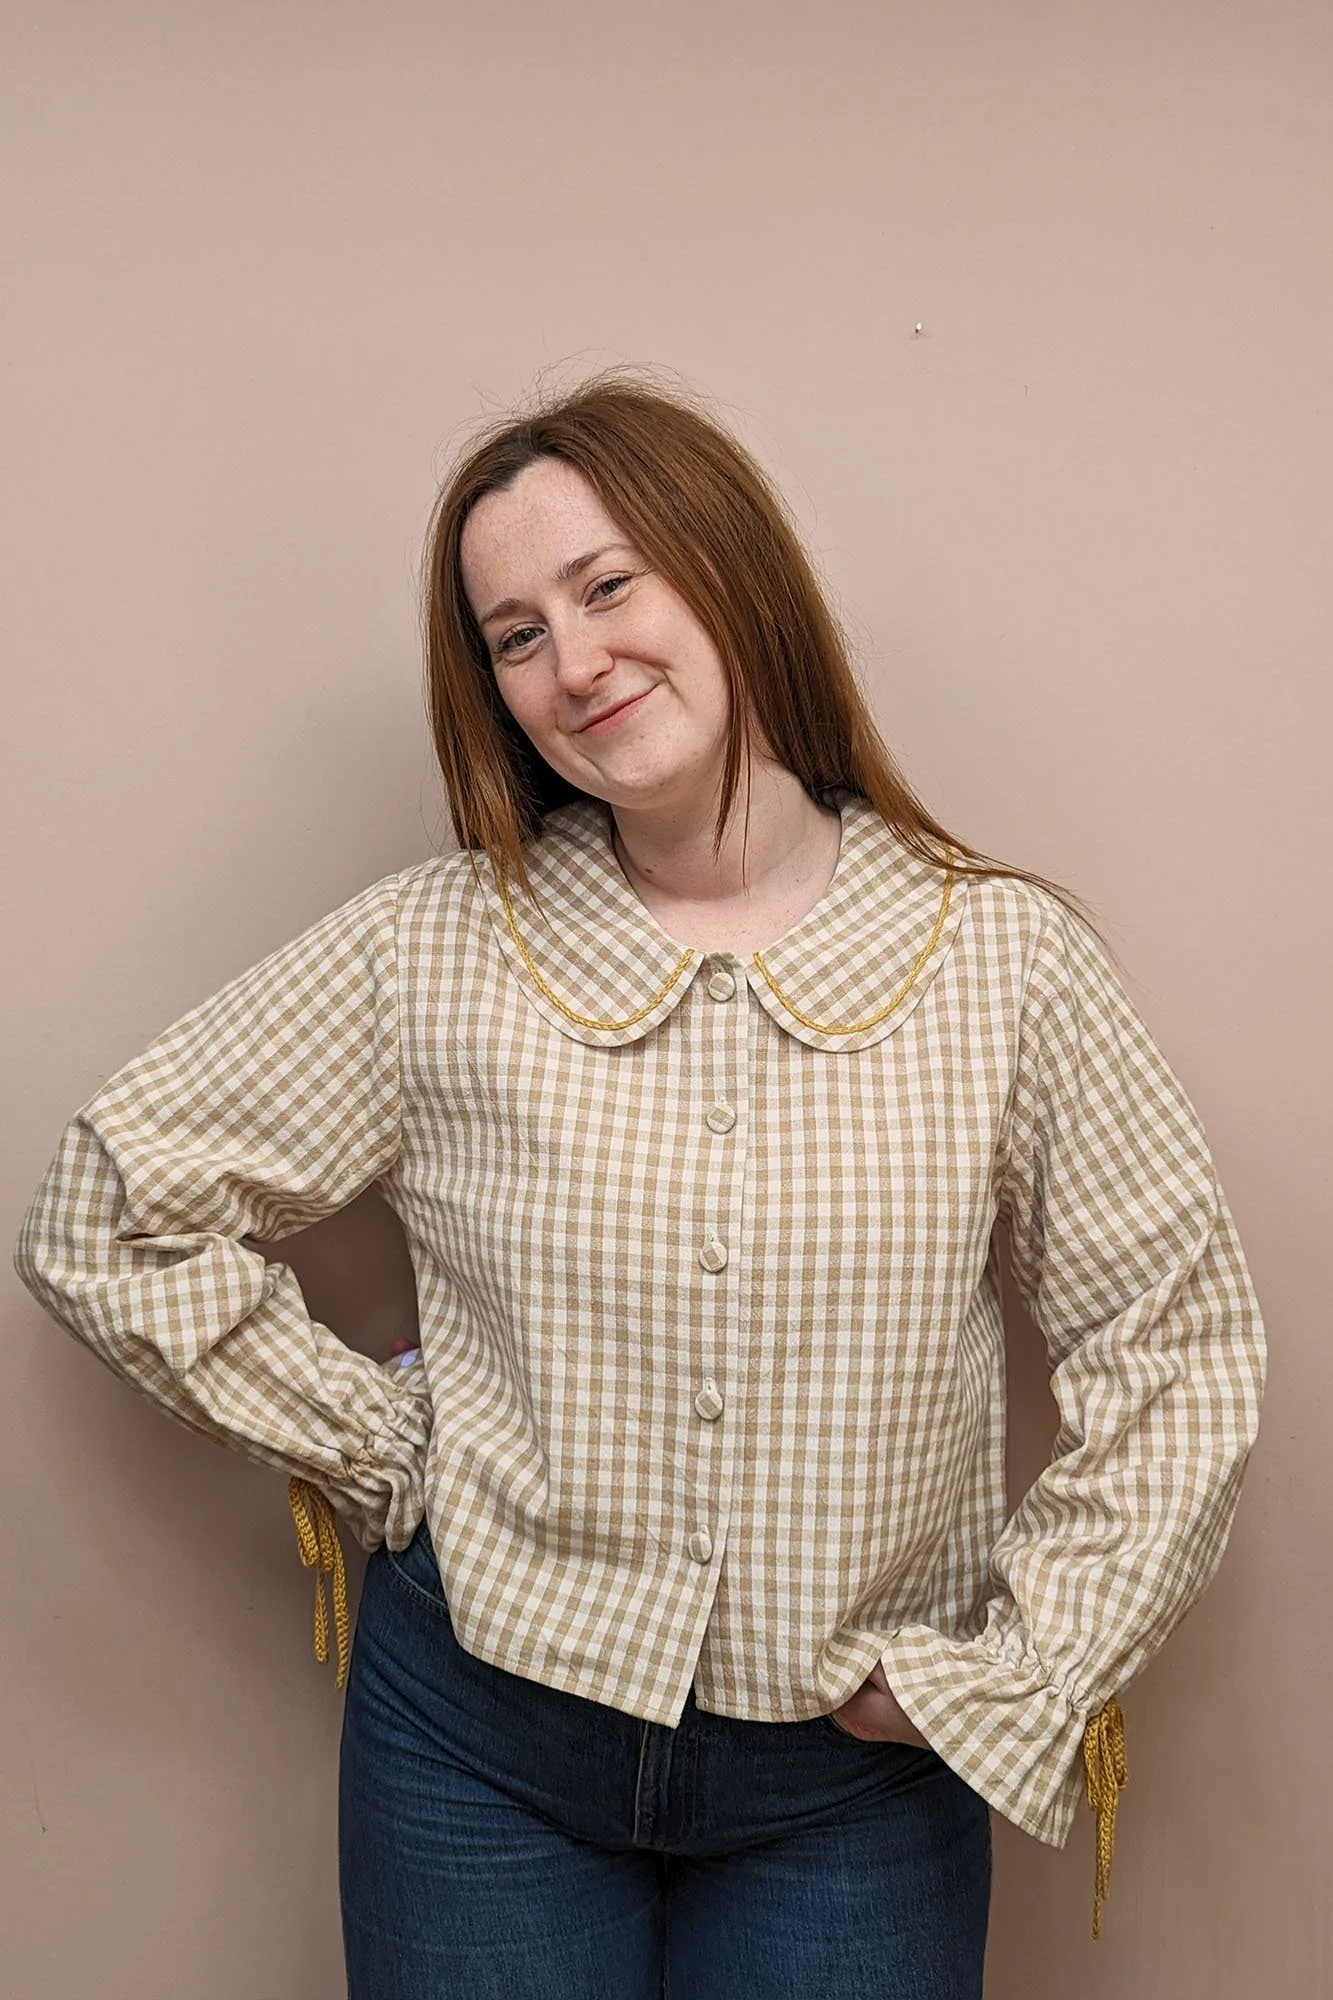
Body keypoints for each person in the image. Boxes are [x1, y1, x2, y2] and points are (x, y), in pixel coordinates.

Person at [14, 368, 1267, 1999]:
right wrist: (385, 1448)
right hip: (474, 1750)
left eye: (609, 586)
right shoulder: (435, 947)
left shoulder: (1002, 962)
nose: (574, 661)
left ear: (731, 573)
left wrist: (1017, 1672)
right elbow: (111, 1201)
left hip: (853, 1796)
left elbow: (1180, 1350)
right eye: (516, 633)